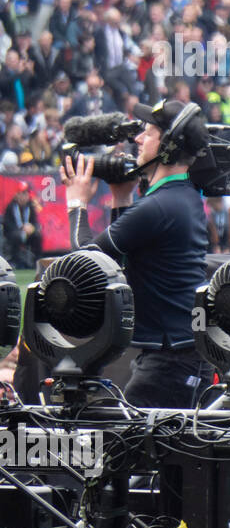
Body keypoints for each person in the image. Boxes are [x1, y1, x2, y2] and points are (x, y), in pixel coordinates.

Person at [61, 99, 211, 408]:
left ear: (168, 145)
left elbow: (86, 265)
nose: (138, 139)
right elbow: (120, 259)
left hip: (172, 361)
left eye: (149, 132)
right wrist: (122, 198)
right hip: (178, 354)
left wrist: (76, 203)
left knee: (125, 450)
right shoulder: (179, 196)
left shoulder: (158, 207)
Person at [3, 182, 42, 268]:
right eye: (21, 194)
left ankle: (36, 261)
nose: (23, 197)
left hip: (28, 233)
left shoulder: (30, 207)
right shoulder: (11, 207)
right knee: (15, 236)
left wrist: (32, 228)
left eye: (25, 194)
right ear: (16, 195)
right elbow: (7, 224)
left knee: (37, 236)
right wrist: (21, 228)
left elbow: (34, 221)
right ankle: (16, 261)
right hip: (14, 233)